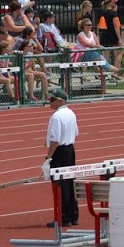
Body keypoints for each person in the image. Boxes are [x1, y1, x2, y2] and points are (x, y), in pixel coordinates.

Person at [45, 87, 79, 227]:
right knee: (70, 182)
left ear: (59, 101)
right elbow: (76, 132)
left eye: (52, 100)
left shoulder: (57, 117)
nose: (49, 102)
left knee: (60, 185)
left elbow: (55, 140)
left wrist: (48, 157)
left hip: (60, 152)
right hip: (70, 150)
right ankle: (73, 215)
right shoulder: (71, 113)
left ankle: (63, 217)